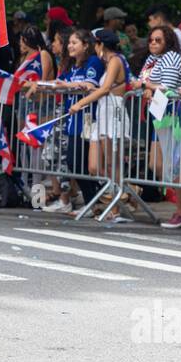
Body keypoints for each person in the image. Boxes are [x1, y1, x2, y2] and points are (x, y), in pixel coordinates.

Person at [131, 24, 181, 228]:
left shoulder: (171, 57)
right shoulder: (152, 59)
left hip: (175, 112)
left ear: (168, 41)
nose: (153, 43)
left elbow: (167, 88)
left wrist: (145, 87)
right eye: (151, 39)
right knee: (157, 164)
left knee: (174, 164)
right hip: (160, 112)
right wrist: (146, 88)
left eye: (158, 40)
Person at [37, 28, 103, 213]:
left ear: (86, 45)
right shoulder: (74, 66)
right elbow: (60, 83)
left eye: (74, 43)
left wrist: (67, 85)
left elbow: (91, 85)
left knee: (82, 163)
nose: (70, 46)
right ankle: (91, 203)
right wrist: (42, 85)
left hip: (89, 119)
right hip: (73, 121)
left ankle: (94, 202)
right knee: (74, 163)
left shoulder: (93, 62)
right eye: (69, 43)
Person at [71, 29, 132, 222]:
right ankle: (123, 194)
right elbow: (106, 88)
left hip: (113, 114)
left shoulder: (115, 60)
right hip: (102, 114)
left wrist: (82, 102)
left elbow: (107, 89)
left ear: (101, 45)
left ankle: (115, 208)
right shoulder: (108, 63)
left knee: (110, 164)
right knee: (94, 166)